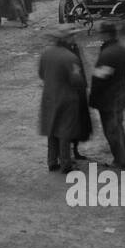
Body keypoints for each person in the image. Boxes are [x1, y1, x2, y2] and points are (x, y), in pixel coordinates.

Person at [38, 25, 91, 173]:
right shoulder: (70, 57)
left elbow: (41, 74)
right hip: (67, 98)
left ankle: (52, 161)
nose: (74, 38)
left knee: (52, 128)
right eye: (72, 36)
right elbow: (77, 81)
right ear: (66, 39)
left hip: (49, 96)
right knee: (65, 131)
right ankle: (66, 164)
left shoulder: (46, 53)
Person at [88, 19, 125, 168]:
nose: (99, 37)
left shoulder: (108, 54)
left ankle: (120, 160)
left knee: (112, 131)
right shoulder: (123, 49)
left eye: (101, 34)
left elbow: (99, 79)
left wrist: (92, 98)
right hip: (120, 95)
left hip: (108, 100)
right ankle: (124, 155)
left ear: (106, 34)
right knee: (118, 127)